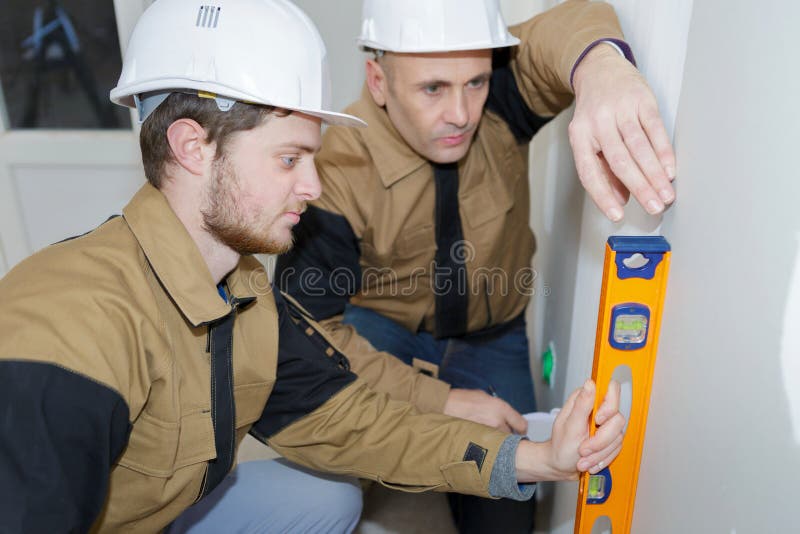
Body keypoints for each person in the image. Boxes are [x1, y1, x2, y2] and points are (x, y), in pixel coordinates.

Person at [0, 1, 626, 533]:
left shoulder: (242, 296)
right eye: (289, 159)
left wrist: (539, 459)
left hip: (166, 506)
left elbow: (356, 423)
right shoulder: (67, 329)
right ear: (193, 147)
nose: (314, 185)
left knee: (329, 495)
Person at [275, 0, 676, 532]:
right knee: (337, 468)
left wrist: (601, 66)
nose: (462, 114)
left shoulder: (501, 102)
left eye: (476, 82)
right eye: (433, 88)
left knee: (509, 510)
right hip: (379, 329)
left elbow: (576, 19)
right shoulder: (331, 172)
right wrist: (442, 401)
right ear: (378, 81)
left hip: (493, 335)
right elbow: (306, 334)